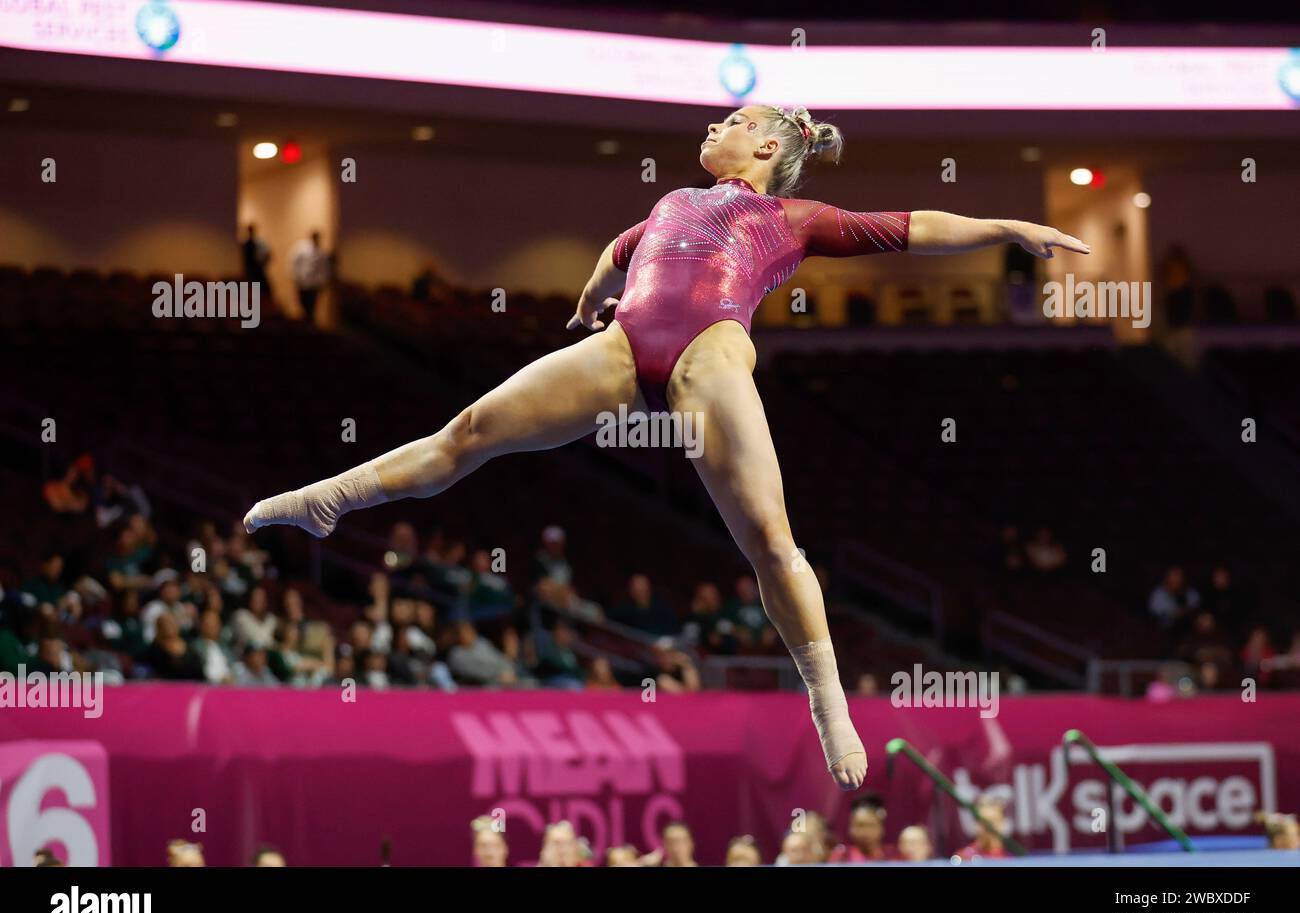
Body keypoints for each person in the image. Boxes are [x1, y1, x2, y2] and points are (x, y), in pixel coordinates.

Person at [244, 103, 1090, 791]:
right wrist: (587, 299)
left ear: (765, 143)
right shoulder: (670, 204)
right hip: (618, 351)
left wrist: (1007, 226)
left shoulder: (793, 216)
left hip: (710, 353)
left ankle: (828, 701)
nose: (714, 126)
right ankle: (329, 502)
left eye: (731, 119)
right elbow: (619, 257)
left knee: (769, 541)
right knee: (464, 435)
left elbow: (913, 226)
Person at [290, 229, 331, 322]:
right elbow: (294, 263)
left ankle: (309, 321)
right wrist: (296, 277)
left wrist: (323, 282)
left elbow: (324, 269)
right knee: (302, 304)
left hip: (314, 285)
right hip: (302, 283)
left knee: (311, 306)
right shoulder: (301, 249)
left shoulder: (321, 252)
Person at [241, 223, 271, 292]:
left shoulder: (260, 242)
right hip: (250, 271)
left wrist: (262, 263)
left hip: (258, 270)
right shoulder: (246, 244)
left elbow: (268, 254)